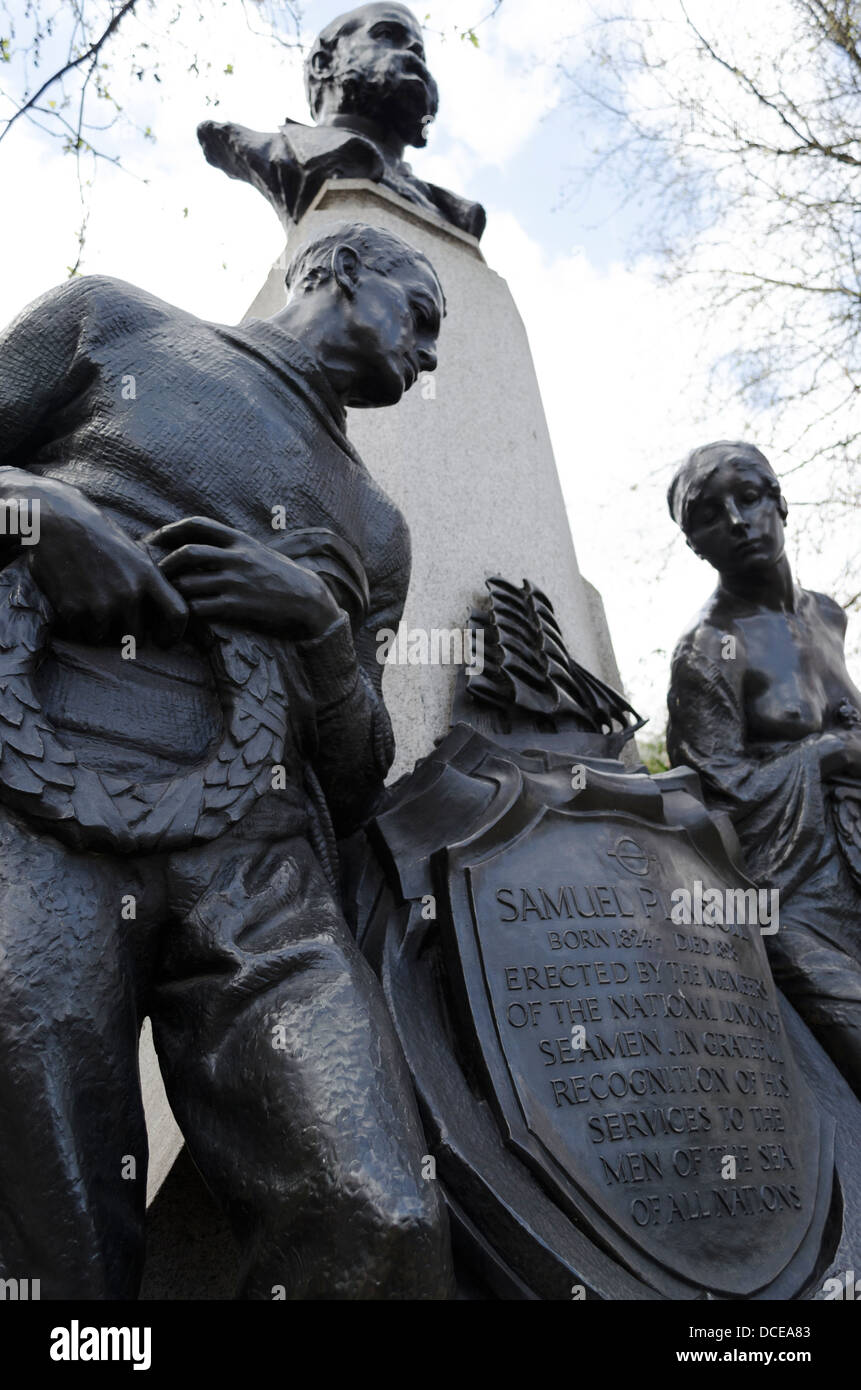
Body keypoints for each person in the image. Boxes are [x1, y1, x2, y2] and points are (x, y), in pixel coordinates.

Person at [0, 220, 454, 1298]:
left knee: (380, 1206)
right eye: (422, 318)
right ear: (337, 271)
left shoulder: (380, 529)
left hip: (259, 856)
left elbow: (360, 773)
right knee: (43, 1218)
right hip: (37, 781)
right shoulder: (110, 318)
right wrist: (35, 507)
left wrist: (325, 637)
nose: (431, 358)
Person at [666, 440, 861, 1096]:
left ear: (780, 502)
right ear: (694, 542)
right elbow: (714, 794)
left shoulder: (827, 615)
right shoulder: (705, 651)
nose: (738, 520)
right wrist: (829, 752)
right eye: (708, 513)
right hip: (795, 893)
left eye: (749, 497)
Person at [198, 2, 486, 238]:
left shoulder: (454, 213)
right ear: (324, 64)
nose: (413, 52)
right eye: (387, 34)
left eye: (419, 49)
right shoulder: (277, 153)